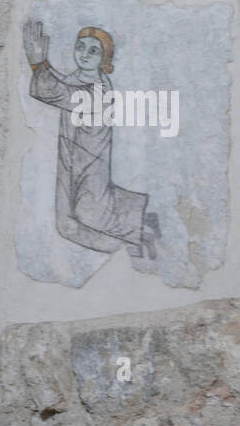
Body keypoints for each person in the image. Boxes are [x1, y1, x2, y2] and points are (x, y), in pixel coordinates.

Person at [23, 19, 160, 260]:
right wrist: (42, 62)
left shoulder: (99, 91)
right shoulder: (79, 78)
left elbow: (57, 91)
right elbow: (62, 84)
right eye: (80, 47)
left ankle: (134, 239)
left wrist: (37, 63)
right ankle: (136, 232)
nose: (84, 54)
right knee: (65, 226)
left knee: (90, 213)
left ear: (104, 58)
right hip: (69, 160)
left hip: (89, 164)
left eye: (93, 50)